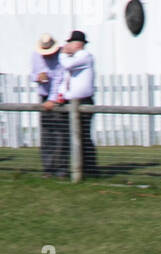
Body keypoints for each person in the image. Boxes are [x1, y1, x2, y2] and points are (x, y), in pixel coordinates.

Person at [43, 30, 96, 178]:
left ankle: (89, 170)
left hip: (83, 101)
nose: (67, 45)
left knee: (84, 137)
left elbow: (67, 65)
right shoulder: (75, 58)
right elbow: (65, 78)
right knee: (69, 137)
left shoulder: (84, 56)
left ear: (77, 44)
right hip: (70, 102)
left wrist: (63, 54)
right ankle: (72, 169)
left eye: (70, 43)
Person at [30, 33, 67, 177]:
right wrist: (38, 77)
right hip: (43, 96)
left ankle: (61, 169)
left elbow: (59, 78)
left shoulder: (60, 57)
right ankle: (48, 169)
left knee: (60, 135)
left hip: (57, 99)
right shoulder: (35, 55)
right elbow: (32, 74)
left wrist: (52, 100)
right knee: (46, 135)